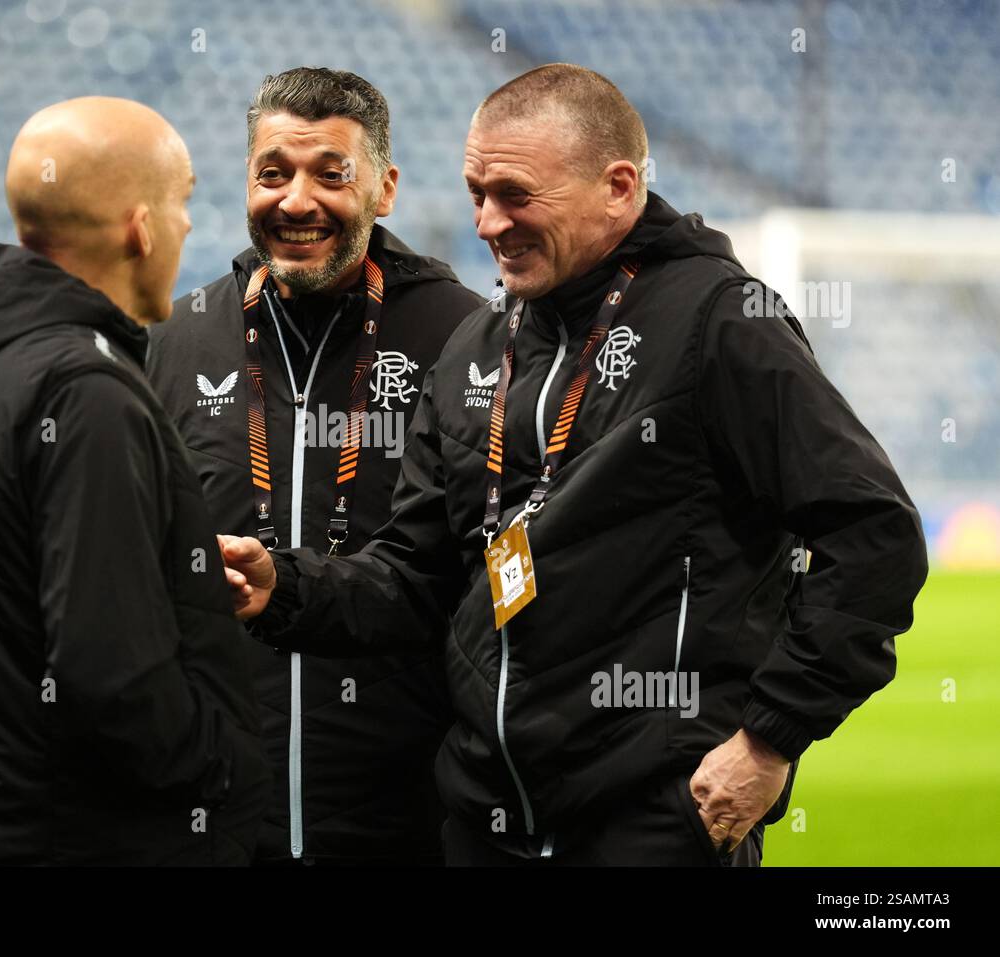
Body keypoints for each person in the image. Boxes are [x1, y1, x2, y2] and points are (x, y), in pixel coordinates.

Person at [220, 64, 929, 866]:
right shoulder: (478, 346)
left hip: (653, 820)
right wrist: (287, 588)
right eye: (476, 193)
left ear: (618, 187)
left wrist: (767, 740)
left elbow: (875, 536)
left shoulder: (719, 322)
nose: (488, 223)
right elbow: (417, 574)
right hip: (487, 817)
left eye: (515, 195)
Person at [0, 96, 268, 865]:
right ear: (140, 226)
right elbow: (110, 671)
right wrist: (221, 760)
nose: (189, 226)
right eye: (183, 200)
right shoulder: (83, 389)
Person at [148, 67, 484, 866]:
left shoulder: (469, 338)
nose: (297, 201)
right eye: (274, 173)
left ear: (385, 186)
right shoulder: (178, 339)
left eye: (331, 173)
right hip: (218, 820)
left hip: (414, 824)